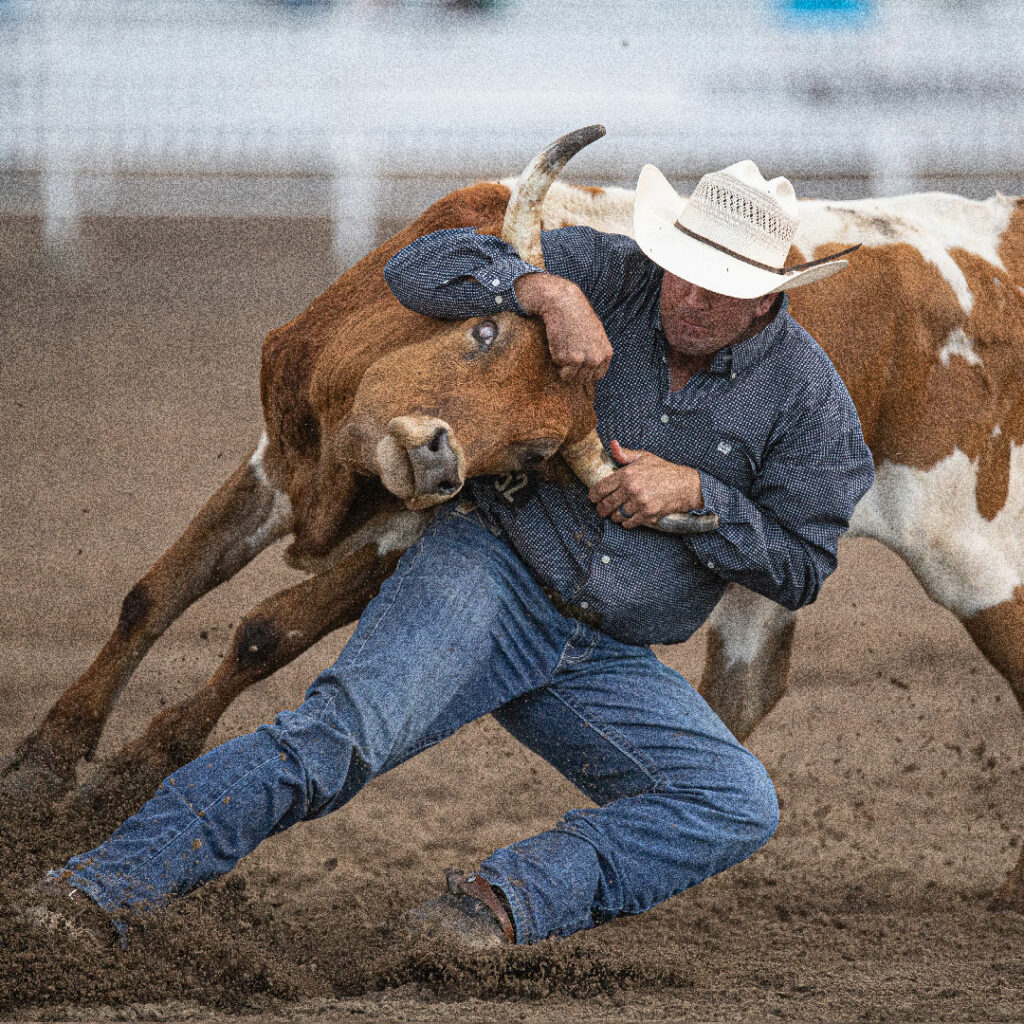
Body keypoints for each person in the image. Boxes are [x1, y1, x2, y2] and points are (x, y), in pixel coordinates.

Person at [24, 159, 873, 951]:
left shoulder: (809, 402)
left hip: (606, 654)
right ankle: (95, 893)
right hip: (491, 573)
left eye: (721, 288)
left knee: (734, 804)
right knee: (337, 744)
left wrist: (702, 498)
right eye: (683, 267)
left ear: (767, 297)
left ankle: (494, 908)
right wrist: (541, 289)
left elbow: (802, 565)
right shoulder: (609, 275)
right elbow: (422, 268)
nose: (688, 295)